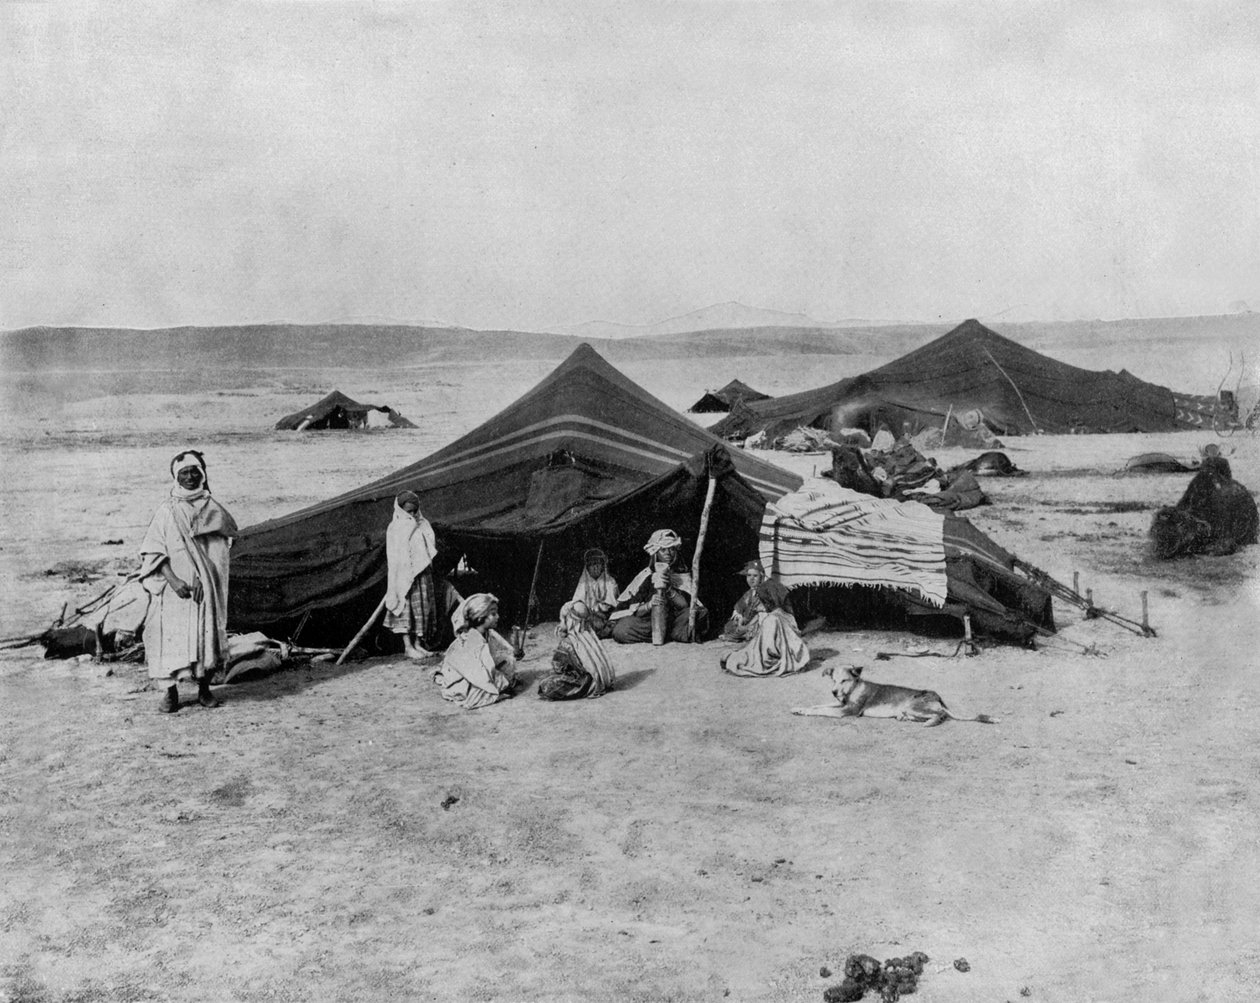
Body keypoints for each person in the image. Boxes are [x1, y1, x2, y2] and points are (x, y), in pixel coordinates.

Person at [139, 449, 239, 713]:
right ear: (176, 477)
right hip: (174, 588)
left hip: (203, 588)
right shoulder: (167, 510)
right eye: (185, 472)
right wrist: (173, 580)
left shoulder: (212, 507)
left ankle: (204, 690)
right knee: (167, 637)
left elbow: (219, 549)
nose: (191, 477)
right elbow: (154, 549)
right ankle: (170, 693)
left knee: (203, 635)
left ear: (203, 474)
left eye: (196, 471)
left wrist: (204, 578)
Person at [383, 490, 456, 658]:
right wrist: (406, 571)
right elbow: (395, 554)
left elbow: (426, 547)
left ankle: (418, 644)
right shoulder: (396, 527)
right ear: (401, 510)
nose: (413, 514)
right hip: (405, 576)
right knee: (406, 609)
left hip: (422, 573)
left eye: (415, 510)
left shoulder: (422, 524)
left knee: (423, 609)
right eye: (409, 511)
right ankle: (408, 646)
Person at [610, 528, 707, 644]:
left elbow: (686, 605)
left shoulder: (682, 575)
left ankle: (673, 633)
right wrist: (650, 605)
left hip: (674, 620)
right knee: (622, 630)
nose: (668, 553)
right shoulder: (646, 576)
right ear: (655, 552)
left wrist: (669, 589)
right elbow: (635, 610)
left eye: (671, 549)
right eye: (663, 550)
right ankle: (669, 634)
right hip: (649, 621)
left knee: (699, 613)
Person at [434, 593, 518, 710]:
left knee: (507, 663)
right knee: (483, 692)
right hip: (465, 676)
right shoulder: (471, 640)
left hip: (475, 671)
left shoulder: (485, 633)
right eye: (493, 614)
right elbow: (476, 673)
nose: (498, 616)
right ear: (480, 617)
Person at [719, 581, 811, 678]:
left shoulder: (771, 619)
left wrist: (751, 651)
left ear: (767, 600)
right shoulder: (787, 616)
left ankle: (730, 658)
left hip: (776, 658)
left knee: (735, 657)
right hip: (796, 656)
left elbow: (768, 650)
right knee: (742, 653)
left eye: (762, 599)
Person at [537, 599, 617, 701]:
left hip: (583, 683)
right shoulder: (590, 637)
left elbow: (559, 667)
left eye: (563, 619)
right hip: (597, 680)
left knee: (546, 684)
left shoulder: (567, 642)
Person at [720, 560, 794, 641]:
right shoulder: (749, 593)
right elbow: (740, 605)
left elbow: (769, 610)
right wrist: (739, 615)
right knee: (730, 625)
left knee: (763, 625)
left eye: (755, 576)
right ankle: (743, 632)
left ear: (761, 577)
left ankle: (746, 633)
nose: (751, 579)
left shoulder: (766, 590)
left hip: (760, 619)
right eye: (749, 575)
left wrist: (748, 625)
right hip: (748, 620)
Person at [570, 547, 619, 638]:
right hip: (589, 615)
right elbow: (577, 602)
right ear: (587, 567)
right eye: (592, 565)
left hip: (605, 616)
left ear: (602, 565)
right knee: (576, 608)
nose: (595, 567)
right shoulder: (583, 582)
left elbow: (612, 605)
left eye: (598, 564)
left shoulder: (610, 582)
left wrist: (600, 609)